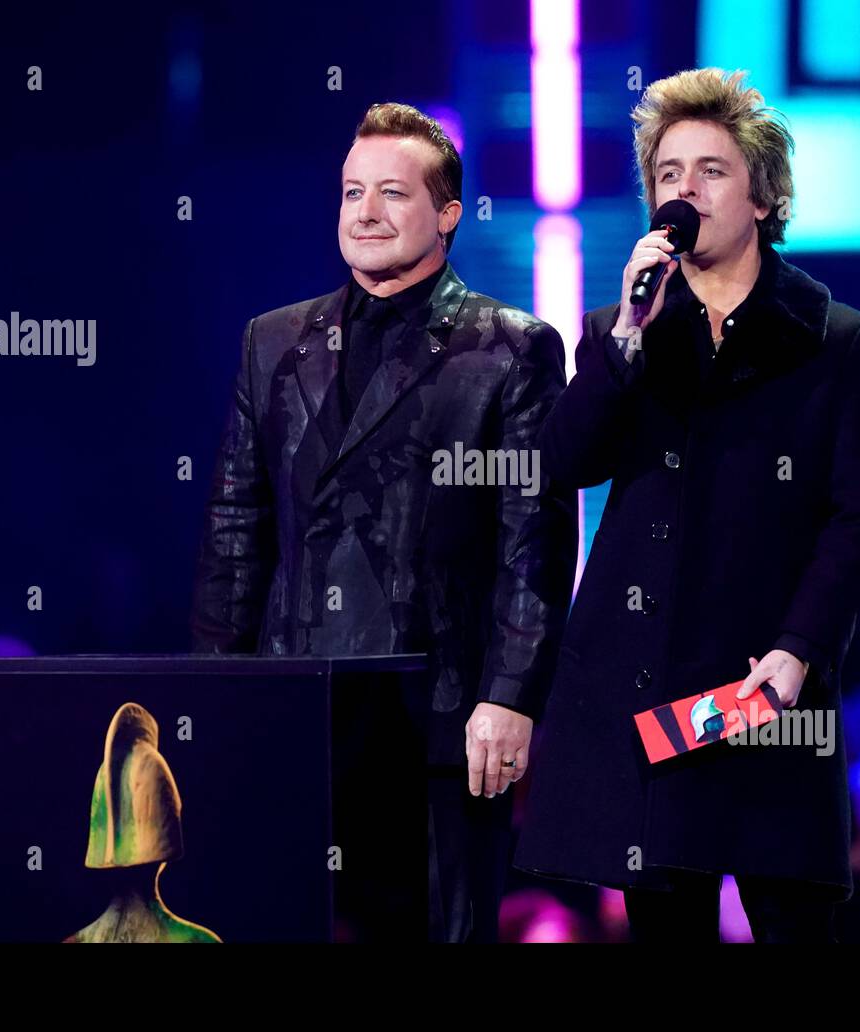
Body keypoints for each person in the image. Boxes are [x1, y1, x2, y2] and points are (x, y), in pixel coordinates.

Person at [514, 68, 860, 943]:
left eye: (711, 171)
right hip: (658, 690)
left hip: (770, 689)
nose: (685, 191)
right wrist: (623, 343)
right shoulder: (627, 327)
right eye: (669, 174)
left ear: (764, 196)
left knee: (795, 921)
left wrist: (801, 651)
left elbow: (856, 515)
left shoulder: (831, 339)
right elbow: (567, 460)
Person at [189, 103, 577, 942]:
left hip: (439, 716)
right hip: (297, 708)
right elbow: (234, 525)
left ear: (446, 215)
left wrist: (510, 697)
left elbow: (534, 542)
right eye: (351, 191)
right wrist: (214, 692)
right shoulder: (274, 341)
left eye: (391, 193)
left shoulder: (511, 347)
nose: (364, 212)